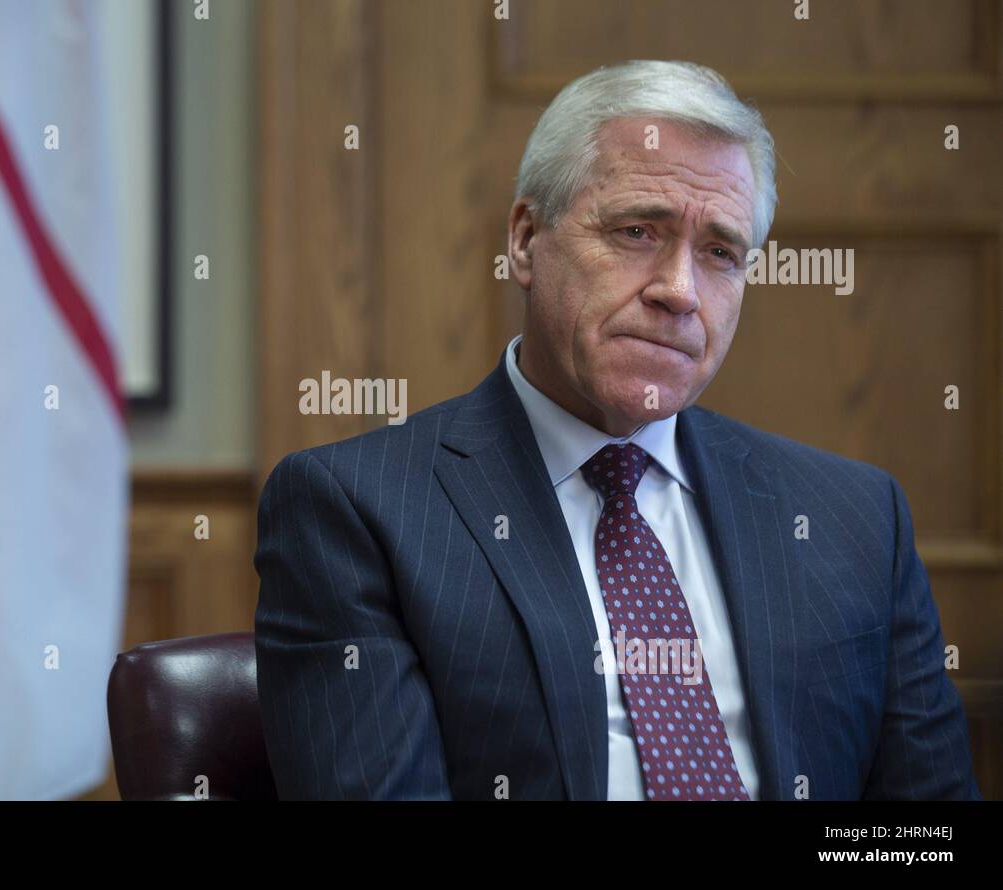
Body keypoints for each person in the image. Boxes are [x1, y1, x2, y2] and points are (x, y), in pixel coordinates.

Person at [252, 60, 980, 800]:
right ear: (527, 239)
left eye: (720, 253)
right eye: (637, 231)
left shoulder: (855, 518)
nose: (680, 291)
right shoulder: (358, 509)